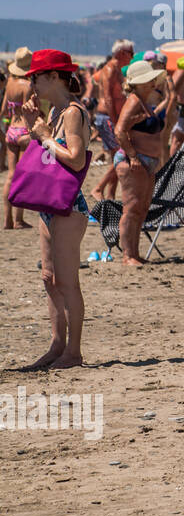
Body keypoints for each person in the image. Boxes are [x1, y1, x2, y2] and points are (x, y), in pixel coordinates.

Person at [15, 50, 92, 370]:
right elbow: (44, 152)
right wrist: (37, 128)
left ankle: (73, 352)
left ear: (54, 77)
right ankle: (57, 345)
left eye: (35, 77)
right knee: (49, 277)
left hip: (68, 207)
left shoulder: (72, 112)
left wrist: (45, 135)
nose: (31, 83)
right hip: (52, 204)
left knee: (66, 281)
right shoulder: (57, 110)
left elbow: (74, 158)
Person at [113, 60, 174, 265]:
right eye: (148, 80)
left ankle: (134, 254)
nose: (152, 83)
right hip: (134, 161)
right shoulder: (133, 100)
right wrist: (132, 155)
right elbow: (119, 131)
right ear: (138, 83)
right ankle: (127, 256)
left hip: (145, 161)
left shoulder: (142, 102)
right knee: (132, 208)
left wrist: (169, 98)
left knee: (141, 208)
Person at [89, 39, 133, 201]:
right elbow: (108, 98)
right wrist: (116, 123)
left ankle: (110, 196)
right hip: (108, 117)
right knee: (121, 156)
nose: (133, 56)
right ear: (122, 53)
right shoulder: (109, 69)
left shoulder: (118, 70)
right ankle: (99, 188)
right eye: (131, 52)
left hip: (111, 117)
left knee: (117, 157)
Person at [3, 47, 34, 229]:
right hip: (24, 131)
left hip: (11, 131)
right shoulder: (28, 86)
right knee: (22, 177)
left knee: (10, 176)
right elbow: (29, 111)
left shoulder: (9, 83)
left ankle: (6, 220)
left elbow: (4, 111)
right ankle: (18, 219)